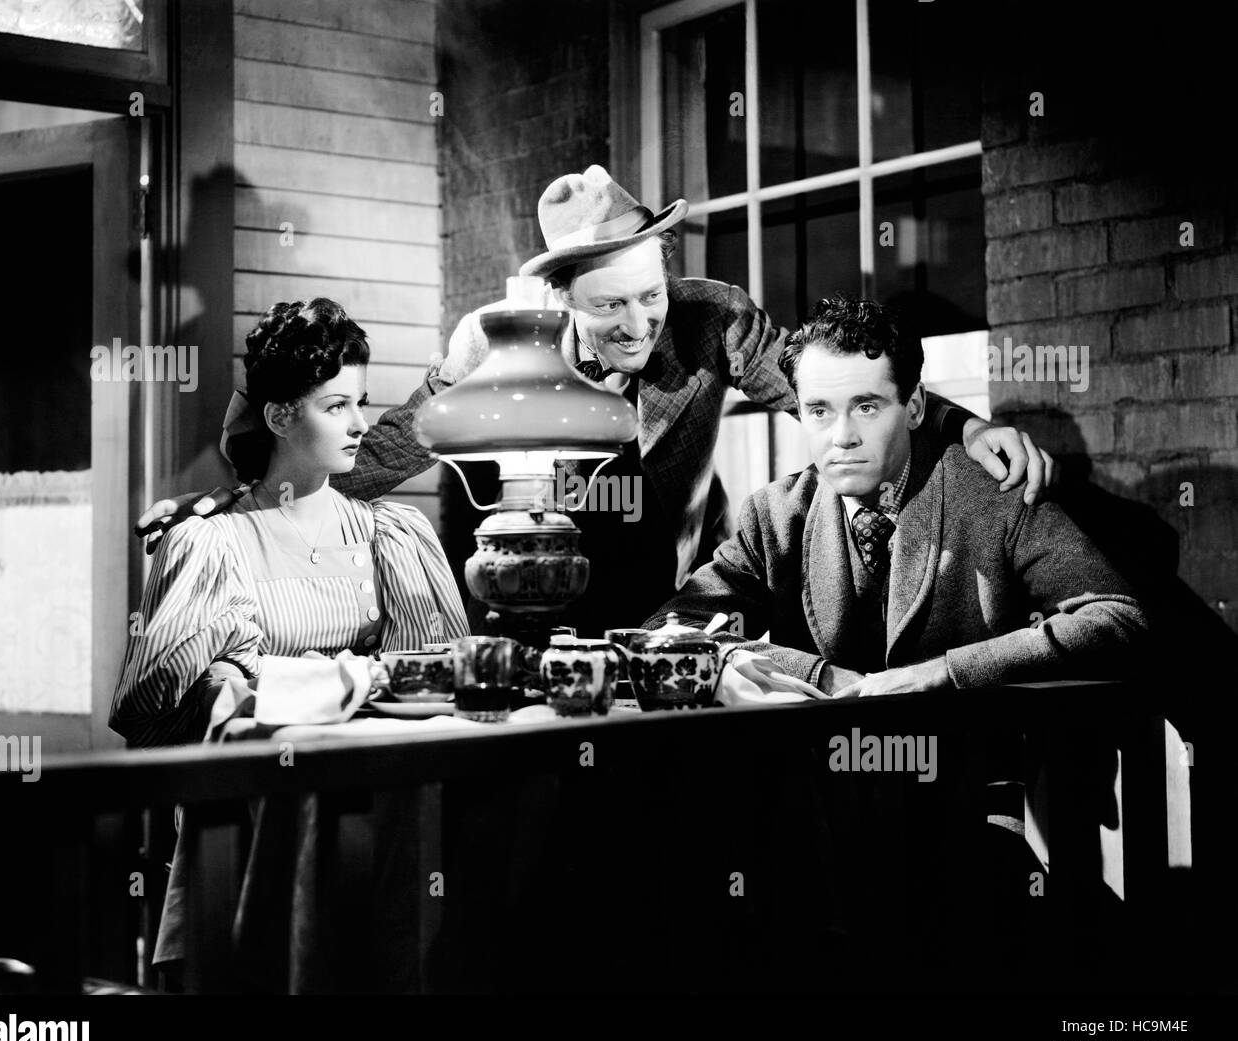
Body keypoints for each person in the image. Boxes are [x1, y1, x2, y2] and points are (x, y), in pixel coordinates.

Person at [135, 166, 1057, 637]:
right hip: (537, 626)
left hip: (686, 617)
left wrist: (971, 428)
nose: (638, 323)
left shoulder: (710, 321)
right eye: (610, 306)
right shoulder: (498, 349)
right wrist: (246, 503)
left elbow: (835, 392)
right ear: (564, 298)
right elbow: (378, 456)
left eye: (649, 295)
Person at [641, 295, 1148, 693]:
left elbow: (1117, 619)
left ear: (914, 407)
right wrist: (818, 675)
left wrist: (945, 673)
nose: (842, 437)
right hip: (828, 797)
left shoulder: (997, 495)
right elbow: (670, 628)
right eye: (819, 411)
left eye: (866, 407)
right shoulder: (774, 516)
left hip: (971, 790)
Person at [109, 298, 469, 748]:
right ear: (280, 417)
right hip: (263, 782)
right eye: (337, 406)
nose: (361, 424)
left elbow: (441, 679)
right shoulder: (211, 543)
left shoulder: (395, 534)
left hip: (377, 769)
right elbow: (151, 705)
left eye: (361, 403)